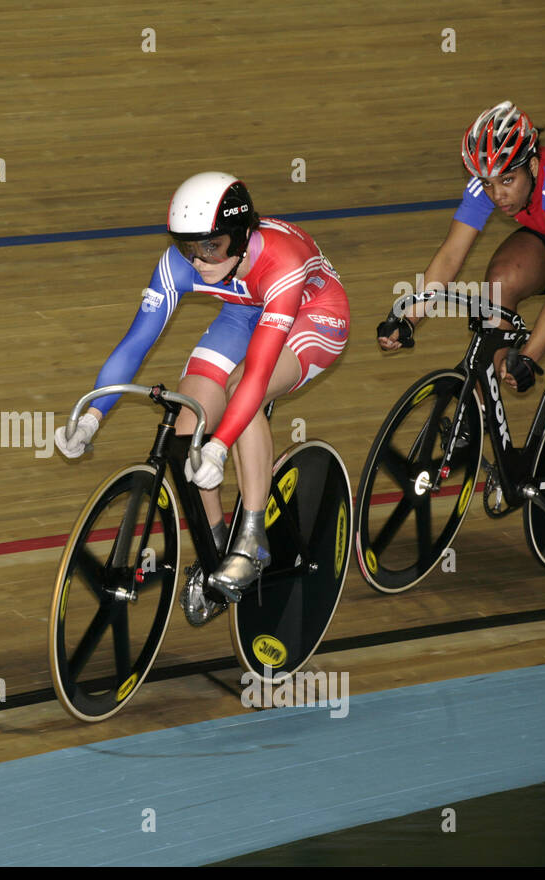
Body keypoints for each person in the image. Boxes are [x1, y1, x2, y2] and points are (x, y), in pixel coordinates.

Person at [56, 172, 350, 598]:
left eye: (211, 246)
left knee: (239, 394)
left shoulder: (280, 260)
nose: (198, 261)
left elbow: (257, 373)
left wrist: (220, 444)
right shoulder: (184, 264)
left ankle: (251, 541)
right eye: (188, 247)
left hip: (312, 313)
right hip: (245, 308)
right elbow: (135, 344)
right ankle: (216, 543)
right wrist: (92, 417)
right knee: (187, 420)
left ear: (240, 236)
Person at [379, 100, 545, 528]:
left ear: (533, 164)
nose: (496, 195)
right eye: (487, 184)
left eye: (507, 180)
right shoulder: (491, 183)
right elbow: (451, 255)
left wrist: (532, 355)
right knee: (499, 284)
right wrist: (409, 316)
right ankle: (482, 406)